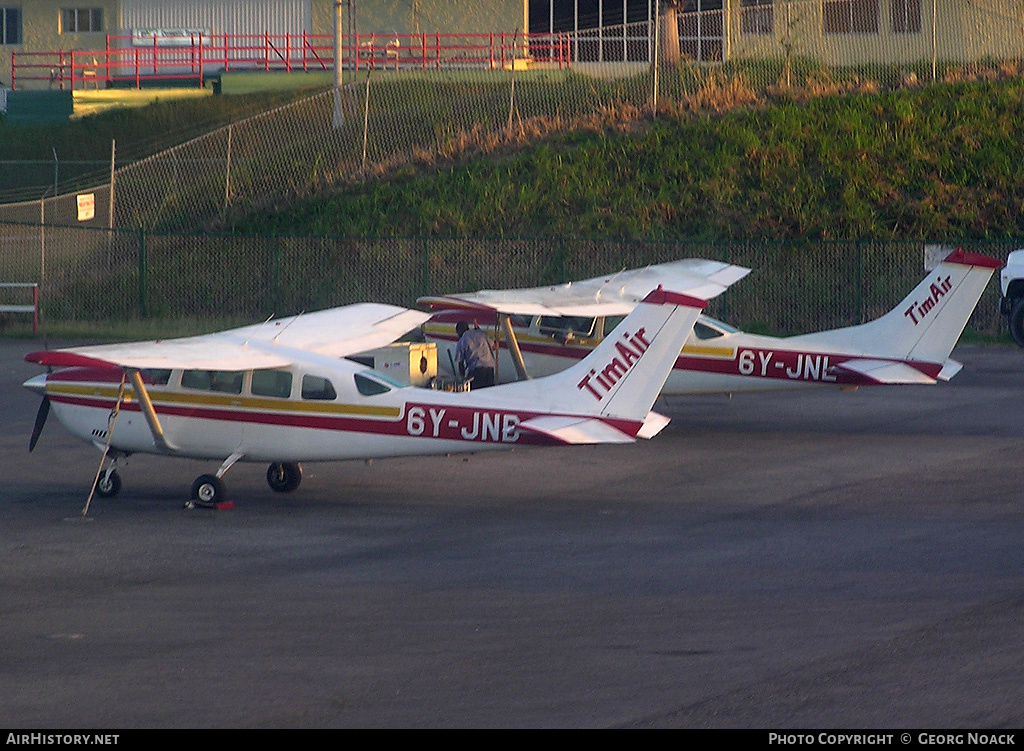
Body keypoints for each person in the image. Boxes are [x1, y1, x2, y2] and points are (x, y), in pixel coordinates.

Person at [454, 320, 496, 388]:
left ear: (459, 331)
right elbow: (494, 347)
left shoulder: (462, 340)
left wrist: (462, 378)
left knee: (476, 393)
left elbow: (460, 363)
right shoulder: (482, 334)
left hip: (477, 371)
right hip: (489, 370)